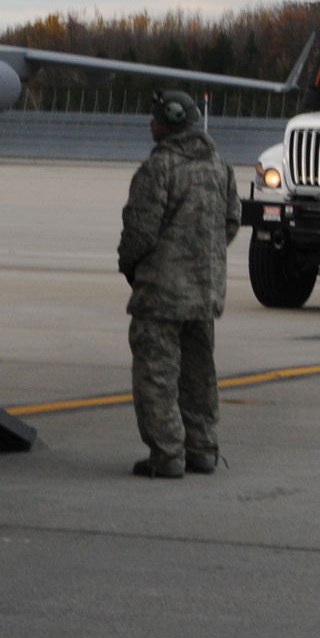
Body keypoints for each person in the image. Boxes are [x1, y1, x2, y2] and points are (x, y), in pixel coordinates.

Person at [116, 90, 241, 479]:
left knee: (156, 375)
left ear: (168, 121)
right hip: (205, 294)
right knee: (199, 376)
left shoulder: (160, 168)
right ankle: (202, 449)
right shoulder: (220, 166)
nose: (150, 124)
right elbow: (232, 221)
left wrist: (131, 266)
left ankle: (168, 454)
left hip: (161, 294)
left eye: (154, 117)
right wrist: (205, 256)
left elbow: (139, 230)